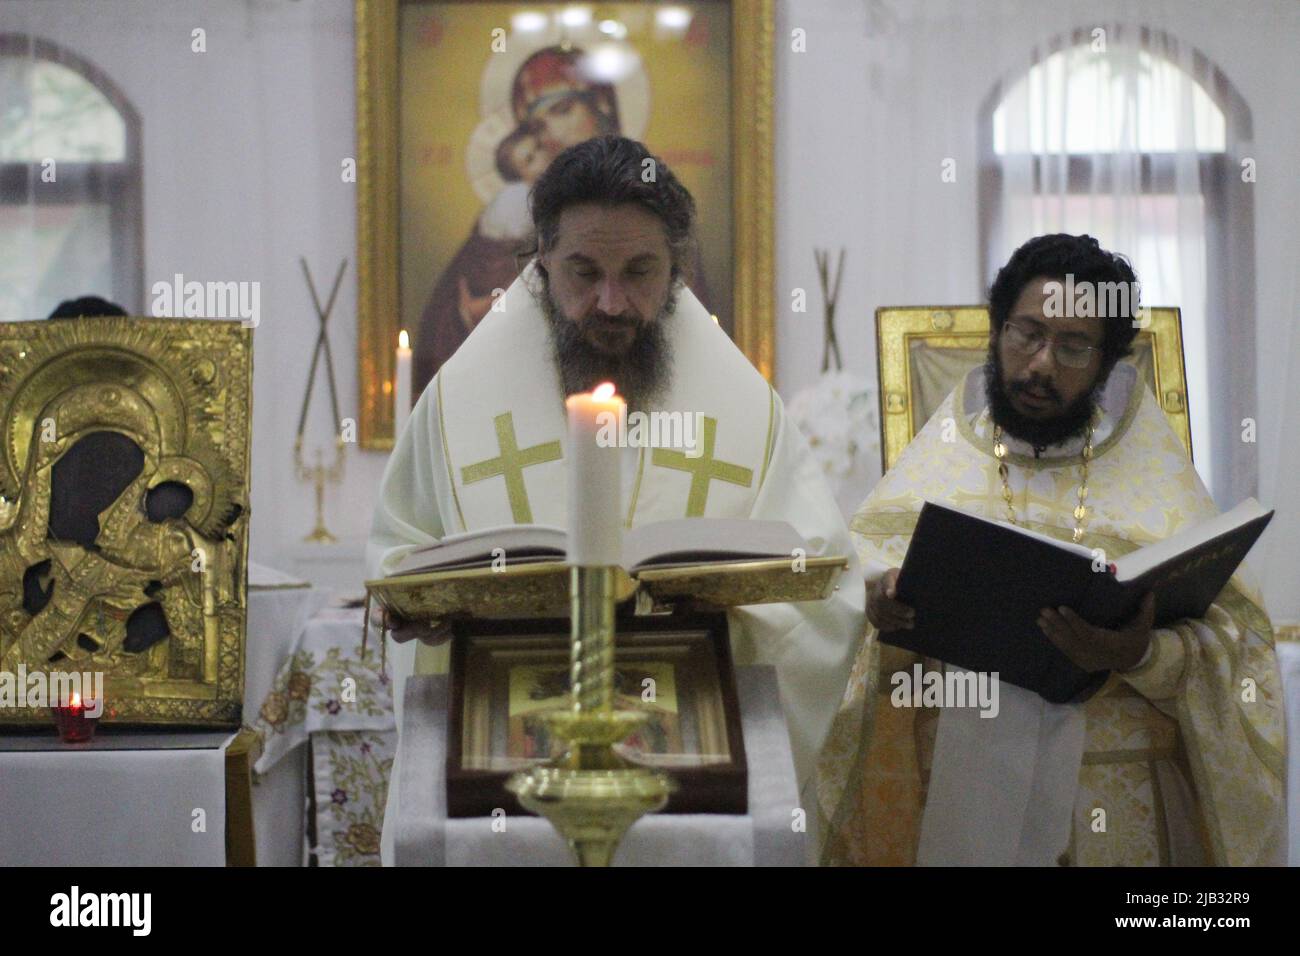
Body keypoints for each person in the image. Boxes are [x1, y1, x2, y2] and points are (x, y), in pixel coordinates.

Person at [369, 135, 865, 864]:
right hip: (506, 753)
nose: (610, 302)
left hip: (695, 748)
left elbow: (828, 587)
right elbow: (398, 549)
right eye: (582, 272)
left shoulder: (745, 410)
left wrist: (732, 599)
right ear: (540, 259)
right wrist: (418, 605)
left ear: (678, 266)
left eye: (639, 272)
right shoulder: (458, 403)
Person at [818, 234, 1286, 866]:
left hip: (1123, 815)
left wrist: (1143, 652)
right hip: (965, 784)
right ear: (997, 330)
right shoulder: (938, 465)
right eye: (1027, 333)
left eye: (1072, 346)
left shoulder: (1156, 480)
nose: (1041, 363)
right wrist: (880, 613)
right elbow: (844, 619)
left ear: (1106, 362)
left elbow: (1240, 650)